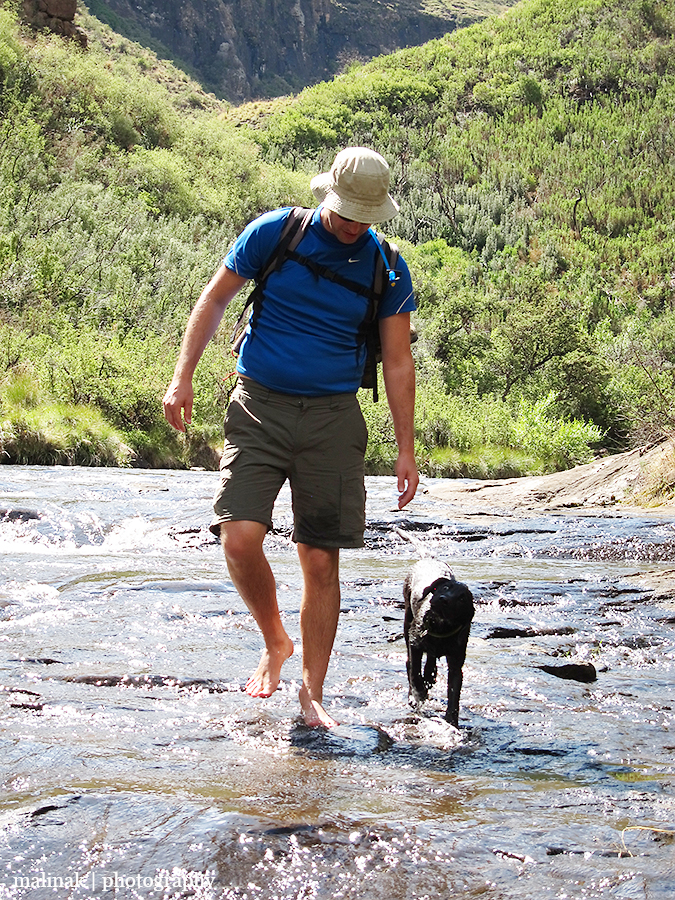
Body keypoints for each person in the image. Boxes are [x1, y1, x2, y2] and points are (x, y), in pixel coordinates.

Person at [163, 147, 418, 727]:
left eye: (366, 215)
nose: (355, 223)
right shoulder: (278, 232)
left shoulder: (388, 267)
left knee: (320, 558)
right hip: (258, 404)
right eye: (347, 210)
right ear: (327, 193)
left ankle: (312, 692)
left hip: (334, 417)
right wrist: (183, 377)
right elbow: (215, 298)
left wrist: (405, 450)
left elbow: (398, 362)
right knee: (238, 535)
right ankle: (276, 640)